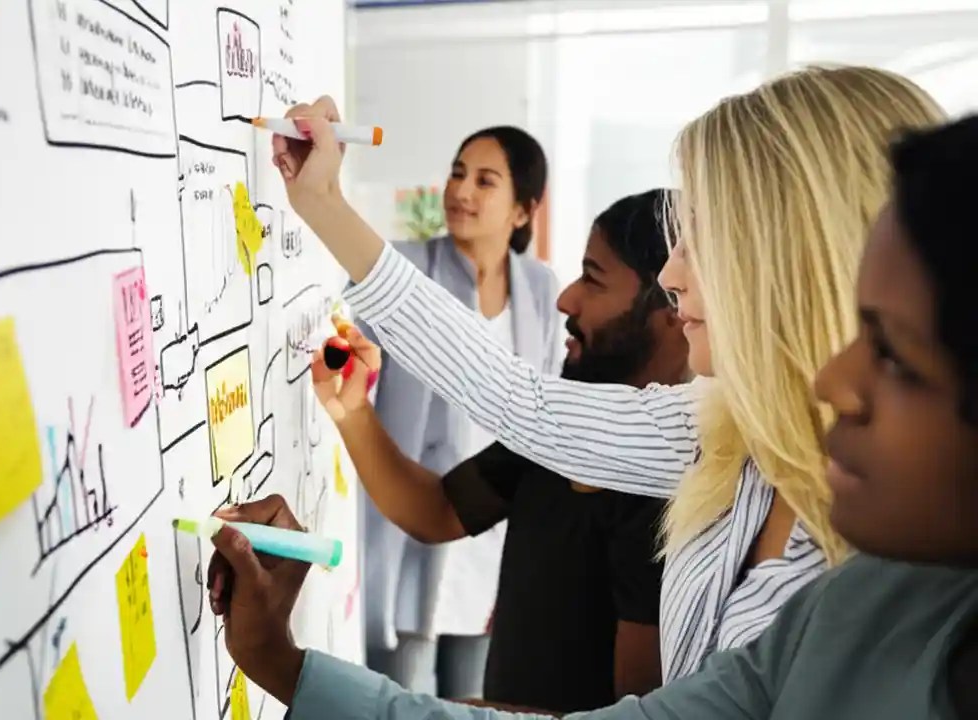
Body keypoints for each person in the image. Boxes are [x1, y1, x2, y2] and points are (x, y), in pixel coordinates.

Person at [205, 113, 978, 719]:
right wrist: (285, 666)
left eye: (893, 351)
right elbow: (517, 404)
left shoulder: (865, 580)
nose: (673, 275)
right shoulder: (737, 462)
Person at [315, 190, 685, 711]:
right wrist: (352, 411)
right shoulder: (563, 427)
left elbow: (631, 712)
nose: (566, 300)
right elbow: (438, 510)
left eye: (593, 279)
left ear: (674, 306)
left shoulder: (670, 485)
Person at [357, 126, 560, 699]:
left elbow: (546, 411)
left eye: (484, 180)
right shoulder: (404, 267)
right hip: (411, 526)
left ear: (523, 210)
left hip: (493, 537)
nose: (461, 191)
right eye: (457, 173)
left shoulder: (541, 288)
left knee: (477, 702)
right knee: (401, 699)